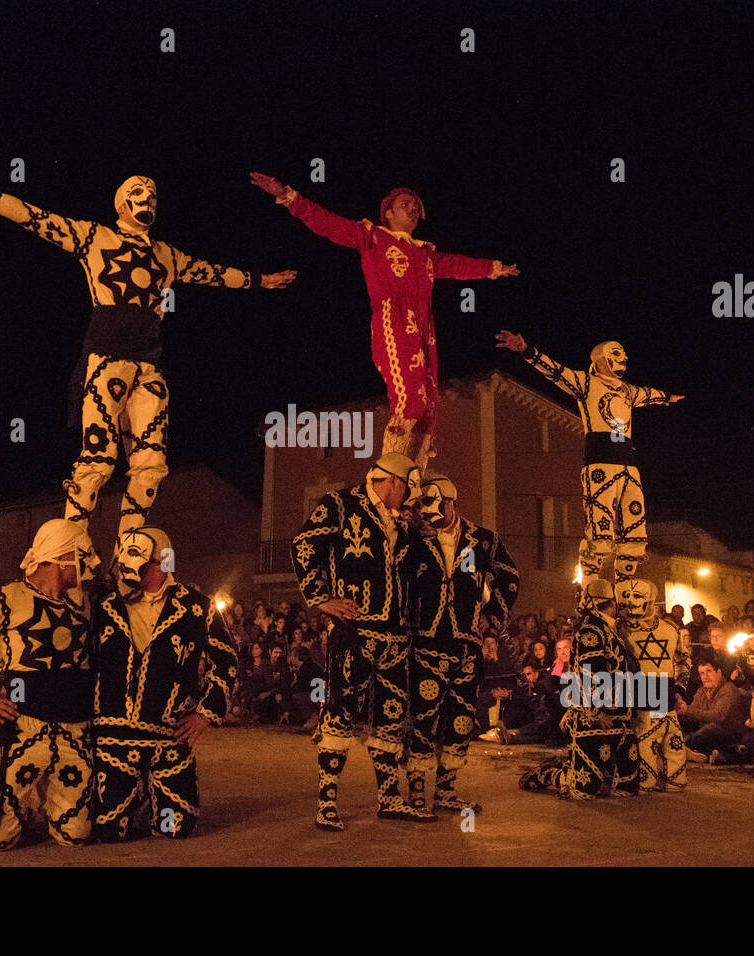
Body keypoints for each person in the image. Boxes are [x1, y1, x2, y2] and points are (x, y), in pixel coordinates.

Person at [0, 154, 296, 548]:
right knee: (97, 461)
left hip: (148, 366)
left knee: (151, 463)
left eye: (153, 196)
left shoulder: (166, 255)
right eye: (139, 194)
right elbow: (37, 219)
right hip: (106, 361)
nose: (148, 201)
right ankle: (68, 545)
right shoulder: (94, 237)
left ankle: (130, 546)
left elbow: (212, 272)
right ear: (121, 204)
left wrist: (260, 281)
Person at [251, 171, 518, 468]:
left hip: (424, 327)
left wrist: (492, 268)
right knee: (410, 399)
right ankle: (390, 470)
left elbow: (455, 265)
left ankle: (413, 478)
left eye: (417, 206)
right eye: (406, 204)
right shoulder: (373, 237)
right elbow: (327, 224)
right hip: (394, 318)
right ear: (388, 212)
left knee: (428, 405)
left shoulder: (425, 253)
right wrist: (289, 197)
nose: (413, 209)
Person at [0, 519, 98, 850]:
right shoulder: (6, 598)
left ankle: (41, 806)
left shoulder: (84, 605)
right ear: (63, 556)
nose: (88, 564)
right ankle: (21, 810)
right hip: (23, 727)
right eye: (82, 556)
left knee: (75, 836)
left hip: (75, 730)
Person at [496, 330, 682, 604]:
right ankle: (591, 593)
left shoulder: (628, 391)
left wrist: (667, 397)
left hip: (629, 468)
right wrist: (527, 350)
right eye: (616, 354)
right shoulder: (585, 382)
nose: (624, 359)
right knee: (601, 535)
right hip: (600, 466)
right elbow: (556, 372)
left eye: (624, 355)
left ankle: (624, 593)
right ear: (601, 360)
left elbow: (648, 394)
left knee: (635, 534)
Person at [291, 452, 424, 829]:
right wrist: (321, 598)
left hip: (395, 634)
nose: (409, 496)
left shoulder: (402, 520)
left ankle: (389, 798)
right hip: (354, 630)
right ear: (393, 482)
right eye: (407, 487)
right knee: (341, 711)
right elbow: (303, 545)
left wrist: (416, 531)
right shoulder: (339, 503)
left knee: (391, 716)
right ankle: (326, 801)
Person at [90, 526, 237, 840]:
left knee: (175, 828)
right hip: (113, 739)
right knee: (109, 830)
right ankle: (135, 798)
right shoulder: (103, 604)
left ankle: (151, 796)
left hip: (168, 738)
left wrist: (206, 713)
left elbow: (226, 660)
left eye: (143, 559)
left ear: (164, 562)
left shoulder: (197, 607)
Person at [400, 473, 520, 816]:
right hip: (425, 642)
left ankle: (447, 791)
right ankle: (419, 792)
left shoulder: (483, 541)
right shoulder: (415, 539)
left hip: (467, 646)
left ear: (455, 502)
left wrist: (492, 621)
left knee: (460, 719)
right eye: (426, 506)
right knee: (424, 717)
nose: (433, 513)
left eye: (440, 505)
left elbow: (510, 578)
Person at [520, 578, 640, 799]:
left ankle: (587, 770)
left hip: (619, 713)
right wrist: (597, 711)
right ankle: (549, 773)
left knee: (628, 785)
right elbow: (587, 674)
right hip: (594, 715)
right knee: (584, 789)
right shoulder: (590, 632)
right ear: (609, 603)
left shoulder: (610, 629)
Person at [616, 579, 689, 791]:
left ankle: (675, 780)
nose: (630, 602)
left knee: (671, 736)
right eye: (627, 597)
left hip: (664, 690)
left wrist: (678, 690)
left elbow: (683, 661)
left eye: (637, 596)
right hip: (642, 689)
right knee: (646, 735)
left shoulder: (670, 629)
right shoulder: (621, 629)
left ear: (650, 601)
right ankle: (646, 781)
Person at [678, 662, 746, 761]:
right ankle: (699, 754)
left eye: (708, 671)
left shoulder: (728, 689)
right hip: (705, 731)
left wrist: (689, 710)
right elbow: (693, 715)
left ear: (718, 673)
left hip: (730, 732)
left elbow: (718, 716)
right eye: (702, 673)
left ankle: (681, 747)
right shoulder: (701, 691)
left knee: (709, 729)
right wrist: (681, 711)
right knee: (680, 724)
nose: (705, 676)